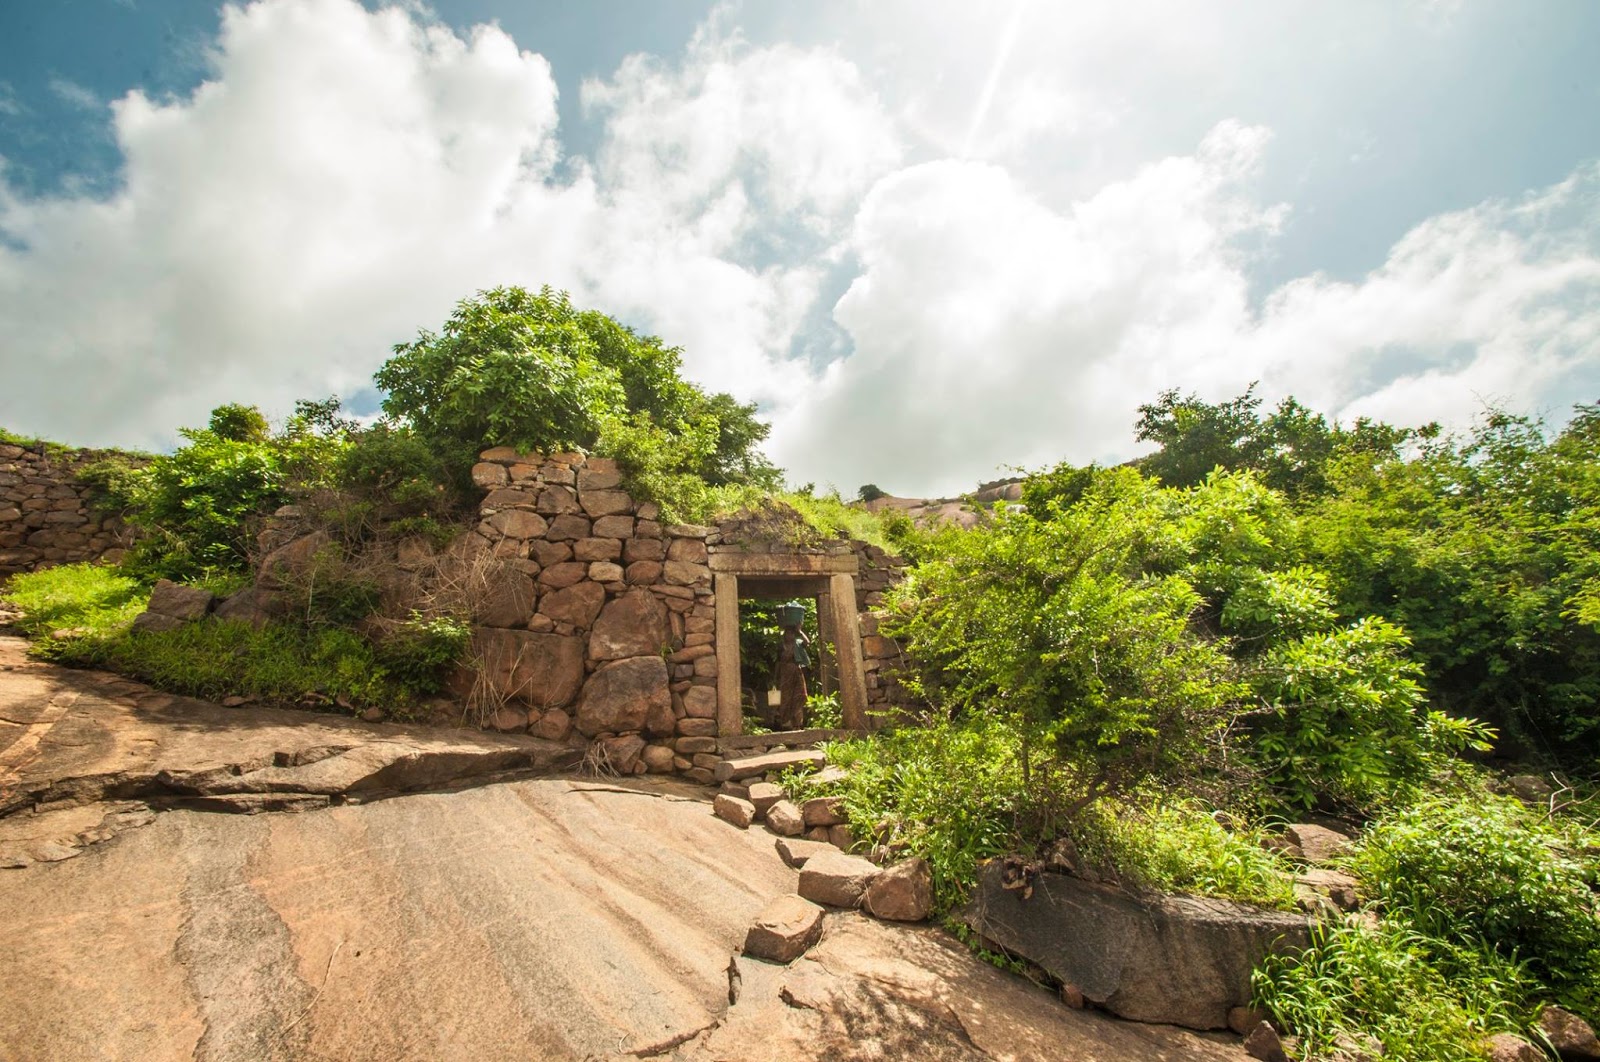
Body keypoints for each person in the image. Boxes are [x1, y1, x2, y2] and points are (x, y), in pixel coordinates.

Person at [776, 614, 811, 730]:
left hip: (797, 673)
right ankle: (786, 723)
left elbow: (807, 642)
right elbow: (778, 662)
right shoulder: (781, 646)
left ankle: (798, 723)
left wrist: (800, 631)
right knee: (786, 698)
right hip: (785, 674)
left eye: (791, 633)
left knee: (799, 696)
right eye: (787, 633)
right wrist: (776, 677)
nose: (789, 636)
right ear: (784, 635)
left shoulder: (798, 643)